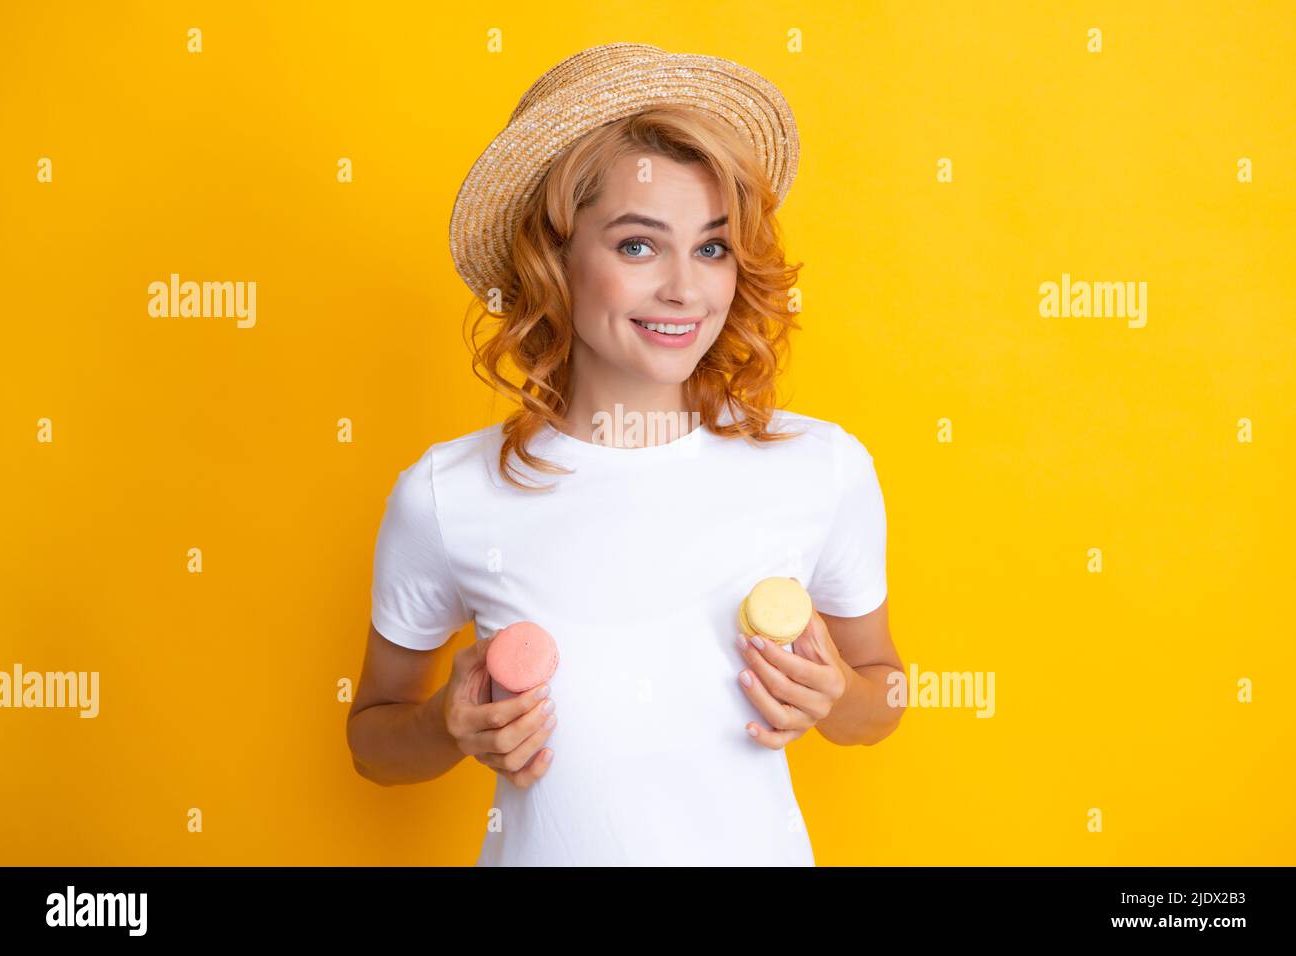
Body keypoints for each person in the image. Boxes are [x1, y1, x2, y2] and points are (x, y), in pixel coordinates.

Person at [346, 42, 905, 866]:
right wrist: (444, 726)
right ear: (556, 261)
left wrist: (837, 697)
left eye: (711, 247)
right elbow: (372, 742)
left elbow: (884, 698)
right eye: (638, 246)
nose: (685, 288)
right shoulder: (449, 494)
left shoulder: (819, 469)